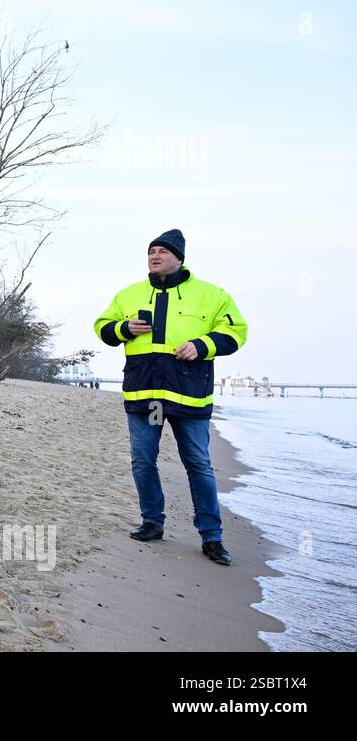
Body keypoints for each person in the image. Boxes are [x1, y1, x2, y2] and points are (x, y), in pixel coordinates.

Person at [93, 229, 247, 565]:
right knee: (142, 460)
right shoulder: (129, 293)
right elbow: (102, 326)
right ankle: (152, 522)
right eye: (151, 251)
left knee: (198, 465)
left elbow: (236, 332)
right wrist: (122, 329)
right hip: (145, 394)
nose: (155, 256)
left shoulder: (211, 295)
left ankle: (212, 536)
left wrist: (202, 345)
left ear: (179, 258)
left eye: (163, 251)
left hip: (189, 395)